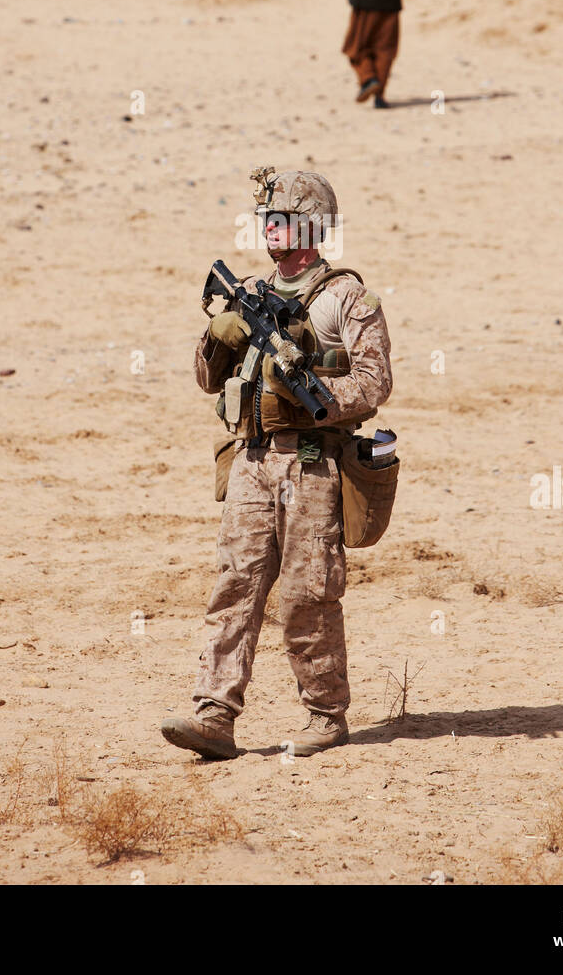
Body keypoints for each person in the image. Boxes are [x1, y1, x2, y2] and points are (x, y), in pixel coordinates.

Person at [161, 167, 393, 760]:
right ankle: (214, 715)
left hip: (313, 465)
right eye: (267, 219)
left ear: (312, 226)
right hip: (252, 460)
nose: (270, 229)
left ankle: (325, 714)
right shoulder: (253, 294)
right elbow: (206, 379)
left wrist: (311, 394)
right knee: (233, 586)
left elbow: (374, 383)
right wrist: (219, 335)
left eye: (283, 219)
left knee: (306, 594)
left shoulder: (347, 298)